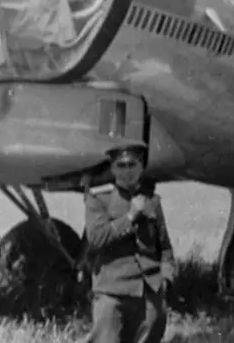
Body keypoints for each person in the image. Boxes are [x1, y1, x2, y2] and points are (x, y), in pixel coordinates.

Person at [82, 141, 176, 343]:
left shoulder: (153, 201)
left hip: (149, 290)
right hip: (112, 291)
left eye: (132, 165)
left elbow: (165, 247)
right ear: (112, 168)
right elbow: (96, 239)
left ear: (141, 167)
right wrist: (131, 216)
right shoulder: (99, 199)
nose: (127, 172)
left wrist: (166, 279)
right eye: (121, 165)